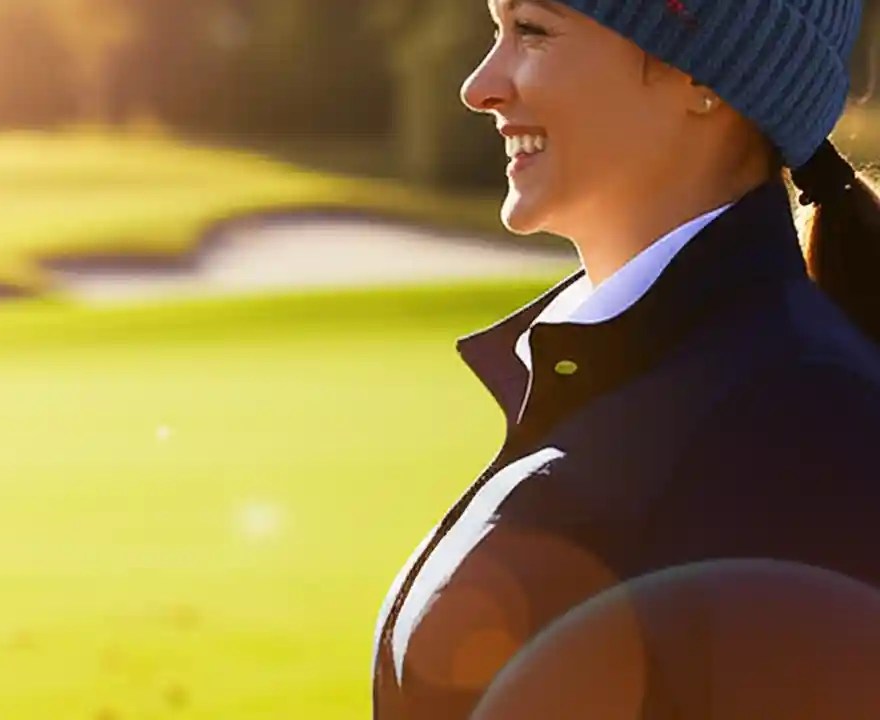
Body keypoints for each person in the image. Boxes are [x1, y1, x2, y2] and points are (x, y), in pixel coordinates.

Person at [370, 0, 880, 717]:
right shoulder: (626, 362)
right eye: (496, 30)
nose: (480, 86)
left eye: (534, 32)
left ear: (704, 73)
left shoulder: (795, 427)